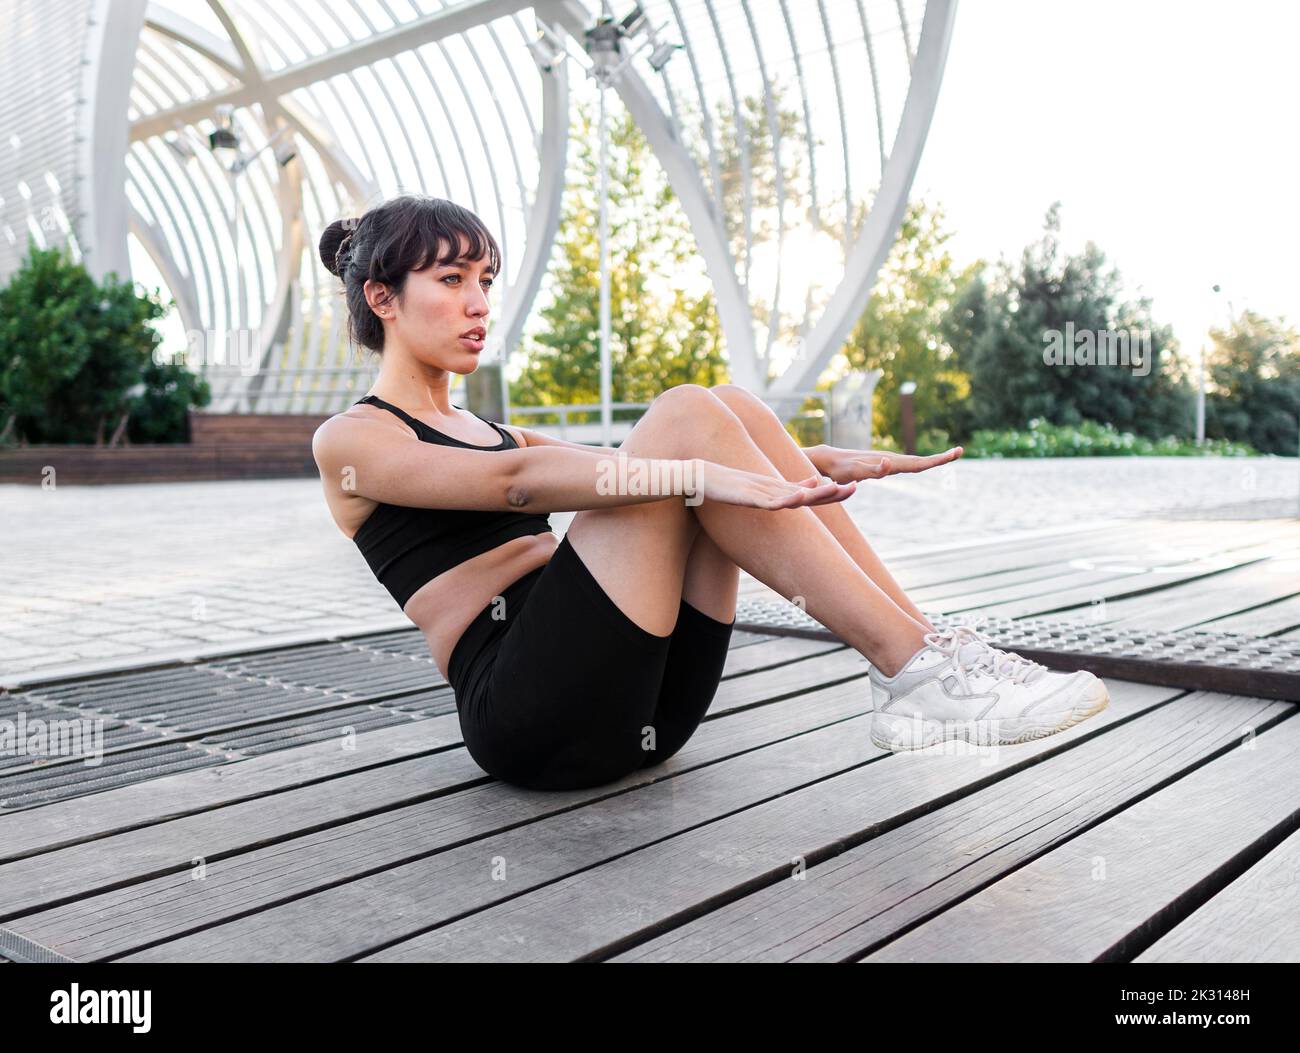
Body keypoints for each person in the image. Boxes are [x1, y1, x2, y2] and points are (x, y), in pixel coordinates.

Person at [311, 194, 1109, 791]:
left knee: (729, 405)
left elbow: (630, 459)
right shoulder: (353, 439)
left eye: (483, 279)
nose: (480, 302)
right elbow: (513, 485)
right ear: (383, 298)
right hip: (530, 717)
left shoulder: (500, 428)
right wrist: (705, 468)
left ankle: (923, 658)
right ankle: (912, 670)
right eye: (451, 280)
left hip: (650, 705)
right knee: (689, 418)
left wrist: (803, 458)